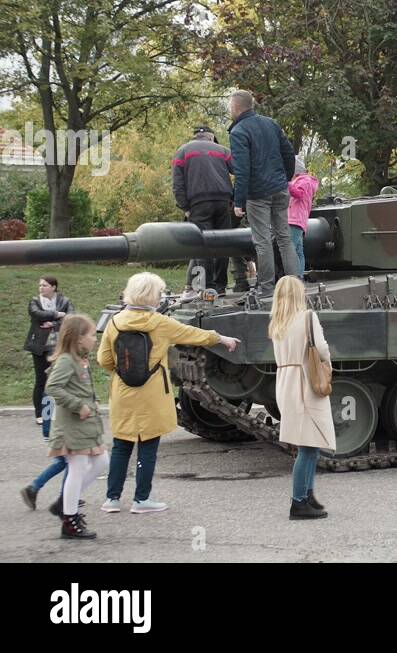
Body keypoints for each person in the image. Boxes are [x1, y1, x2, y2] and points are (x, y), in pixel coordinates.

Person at [97, 272, 240, 514]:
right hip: (151, 393)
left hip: (123, 391)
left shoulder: (115, 322)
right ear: (152, 296)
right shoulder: (160, 323)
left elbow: (104, 360)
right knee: (148, 445)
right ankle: (142, 499)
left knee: (121, 445)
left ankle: (112, 498)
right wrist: (222, 339)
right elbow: (194, 335)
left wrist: (123, 373)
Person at [269, 276, 335, 520]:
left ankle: (308, 496)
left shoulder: (277, 322)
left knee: (310, 442)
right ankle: (298, 502)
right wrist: (328, 361)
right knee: (307, 447)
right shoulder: (307, 317)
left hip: (286, 380)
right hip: (305, 381)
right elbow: (322, 348)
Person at [228, 89, 299, 296]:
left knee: (263, 240)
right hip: (279, 188)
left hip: (257, 193)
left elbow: (242, 169)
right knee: (284, 238)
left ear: (235, 107)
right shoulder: (271, 123)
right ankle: (294, 284)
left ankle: (266, 288)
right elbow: (288, 153)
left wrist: (238, 201)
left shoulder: (238, 131)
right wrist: (284, 179)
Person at [44, 314, 108, 539]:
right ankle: (69, 521)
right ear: (78, 338)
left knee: (101, 461)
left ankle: (64, 503)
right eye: (91, 335)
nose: (95, 339)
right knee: (78, 467)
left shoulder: (80, 358)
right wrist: (78, 405)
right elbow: (53, 387)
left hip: (86, 425)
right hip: (72, 426)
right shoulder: (66, 360)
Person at [172, 126, 235, 300]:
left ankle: (208, 287)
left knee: (202, 245)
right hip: (223, 201)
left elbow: (178, 183)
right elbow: (241, 171)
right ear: (211, 137)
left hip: (198, 203)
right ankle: (221, 285)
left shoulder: (182, 151)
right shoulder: (223, 150)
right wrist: (235, 197)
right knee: (224, 243)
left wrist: (185, 207)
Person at [24, 276, 74, 424]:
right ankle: (40, 414)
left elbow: (71, 317)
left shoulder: (64, 301)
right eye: (40, 285)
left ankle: (61, 412)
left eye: (45, 285)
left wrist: (52, 323)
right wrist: (58, 314)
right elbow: (37, 314)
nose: (41, 288)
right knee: (41, 380)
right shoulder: (35, 301)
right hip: (40, 347)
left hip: (59, 347)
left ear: (53, 287)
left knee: (60, 380)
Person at [287, 156, 319, 277]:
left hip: (296, 219)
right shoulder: (302, 181)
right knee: (298, 250)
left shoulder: (305, 181)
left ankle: (294, 277)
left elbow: (298, 194)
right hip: (295, 219)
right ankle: (298, 276)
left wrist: (287, 183)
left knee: (290, 249)